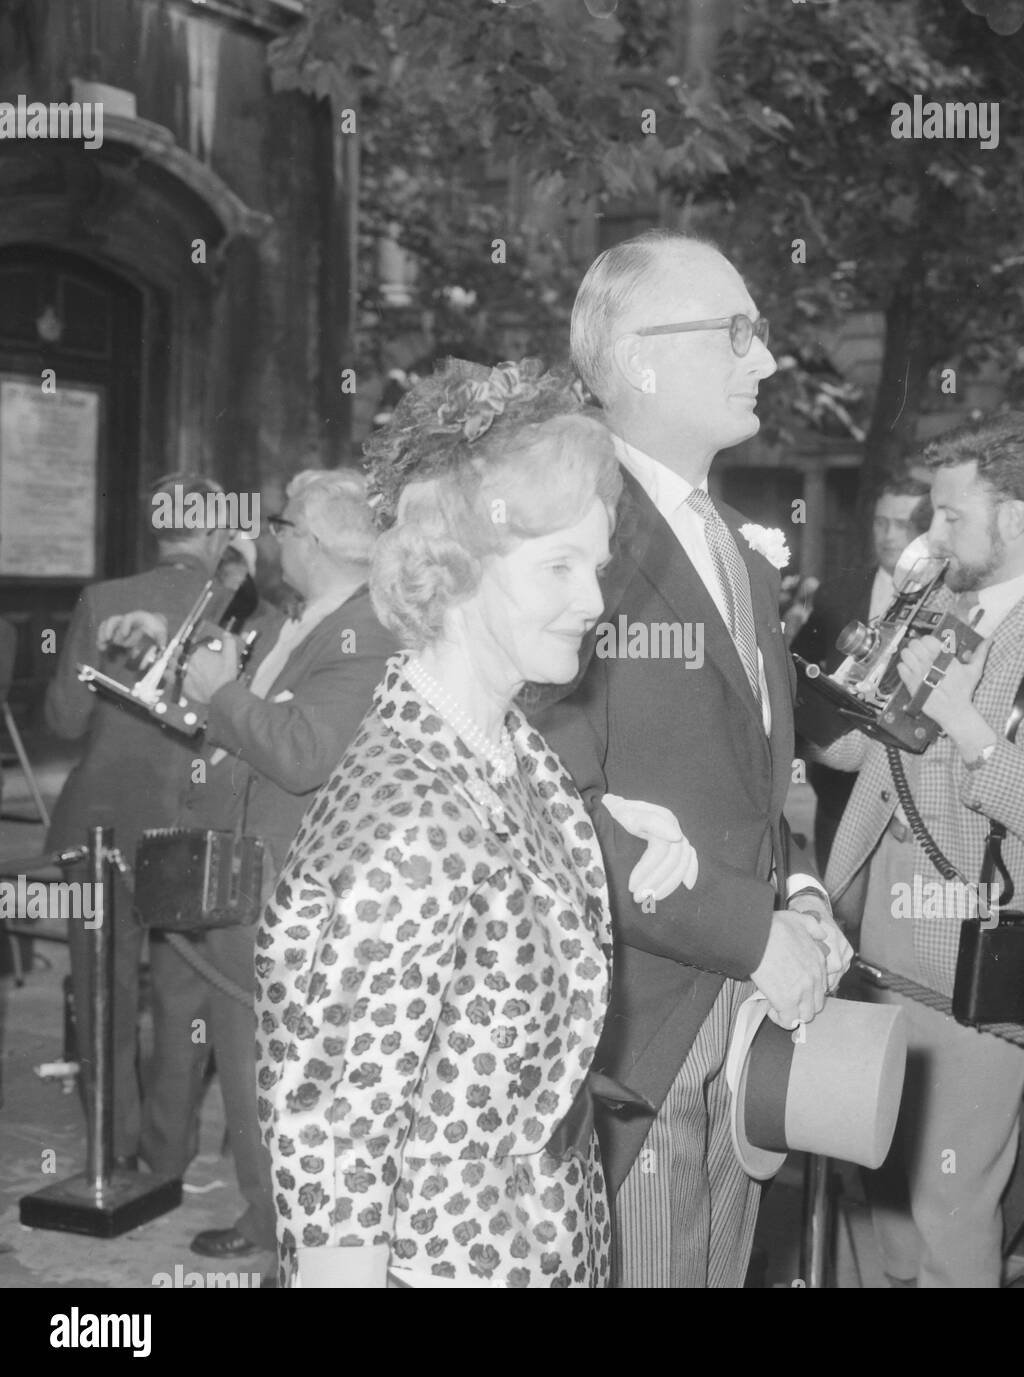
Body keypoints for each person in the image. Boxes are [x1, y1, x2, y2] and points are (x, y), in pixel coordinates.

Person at [255, 362, 692, 1288]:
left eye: (597, 566)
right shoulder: (405, 819)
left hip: (543, 1244)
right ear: (454, 566)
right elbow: (336, 1158)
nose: (594, 599)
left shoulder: (509, 753)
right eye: (558, 566)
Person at [532, 230, 852, 1288]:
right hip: (638, 1020)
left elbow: (759, 770)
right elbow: (553, 809)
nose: (764, 361)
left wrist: (798, 891)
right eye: (738, 333)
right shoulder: (571, 535)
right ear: (638, 358)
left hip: (739, 1008)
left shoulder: (733, 551)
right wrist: (752, 934)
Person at [815, 412, 1024, 1288]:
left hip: (976, 947)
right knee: (871, 1191)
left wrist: (969, 726)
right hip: (878, 933)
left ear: (1018, 518)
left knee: (949, 1207)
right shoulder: (933, 611)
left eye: (952, 515)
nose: (932, 533)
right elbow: (871, 760)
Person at [150, 469, 399, 1265]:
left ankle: (281, 1238)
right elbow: (262, 726)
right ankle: (272, 1222)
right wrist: (203, 698)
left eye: (284, 527)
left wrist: (224, 697)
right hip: (242, 879)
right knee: (255, 1071)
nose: (272, 539)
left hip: (284, 895)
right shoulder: (309, 616)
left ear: (317, 543)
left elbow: (302, 754)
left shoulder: (367, 631)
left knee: (270, 1082)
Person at [44, 473, 234, 1172]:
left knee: (103, 991)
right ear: (216, 534)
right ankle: (167, 1154)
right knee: (184, 995)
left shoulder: (102, 599)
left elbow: (63, 719)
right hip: (187, 826)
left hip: (96, 825)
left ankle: (112, 1147)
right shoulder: (233, 611)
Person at [792, 473, 928, 870]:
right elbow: (801, 676)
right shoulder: (838, 591)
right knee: (838, 914)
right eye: (880, 522)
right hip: (838, 790)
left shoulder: (947, 596)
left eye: (902, 524)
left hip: (909, 798)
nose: (887, 534)